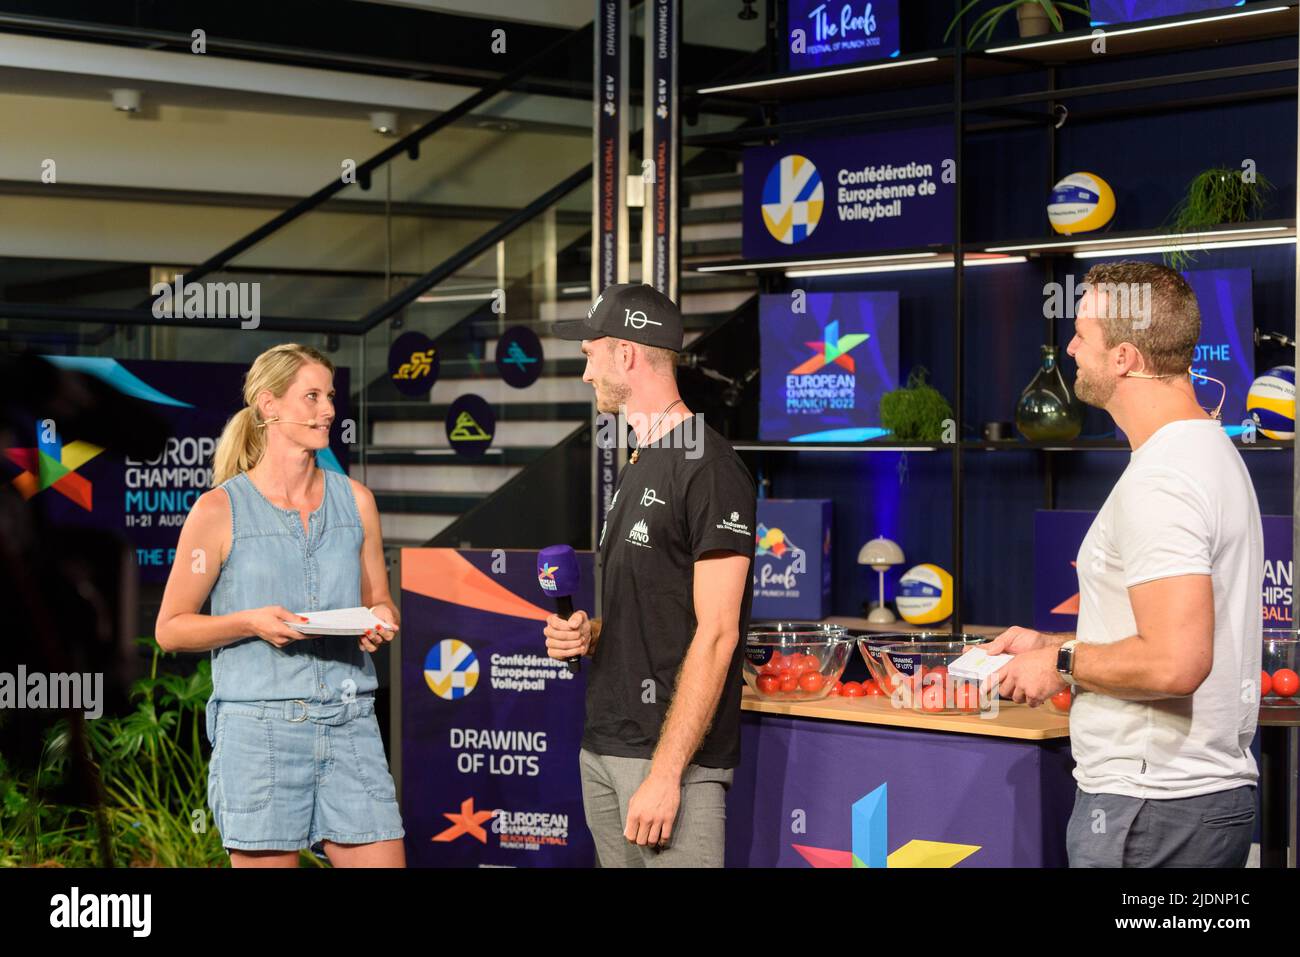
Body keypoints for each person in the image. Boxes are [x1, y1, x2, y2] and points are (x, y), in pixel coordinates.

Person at [985, 261, 1262, 868]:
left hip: (1151, 810)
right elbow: (1167, 636)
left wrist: (1060, 662)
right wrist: (1051, 640)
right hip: (1188, 805)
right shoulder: (1207, 450)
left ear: (1126, 358)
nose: (1071, 348)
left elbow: (1175, 661)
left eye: (1083, 334)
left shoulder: (1162, 478)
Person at [156, 343, 405, 867]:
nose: (329, 410)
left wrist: (381, 620)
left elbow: (378, 600)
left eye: (330, 396)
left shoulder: (356, 500)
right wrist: (250, 622)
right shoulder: (219, 509)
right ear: (269, 406)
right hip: (258, 733)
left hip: (350, 722)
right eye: (311, 396)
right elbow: (171, 629)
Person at [544, 283, 756, 867]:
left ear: (626, 354)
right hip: (606, 746)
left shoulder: (709, 467)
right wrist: (591, 634)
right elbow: (660, 608)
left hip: (668, 765)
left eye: (590, 354)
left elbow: (718, 633)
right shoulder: (638, 459)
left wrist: (666, 775)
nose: (586, 374)